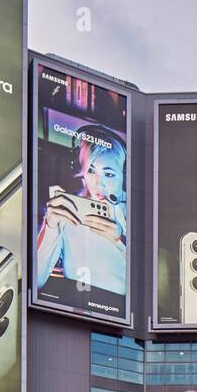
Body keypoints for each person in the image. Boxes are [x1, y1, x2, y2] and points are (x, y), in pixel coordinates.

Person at [34, 124, 128, 296]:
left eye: (109, 174)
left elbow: (156, 286)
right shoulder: (68, 209)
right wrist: (50, 227)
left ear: (124, 175)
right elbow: (35, 282)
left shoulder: (136, 213)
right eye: (91, 171)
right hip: (75, 307)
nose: (98, 184)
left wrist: (120, 241)